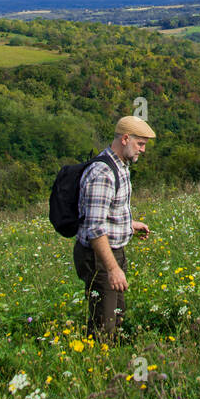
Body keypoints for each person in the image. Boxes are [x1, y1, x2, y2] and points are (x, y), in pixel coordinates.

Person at [74, 116, 154, 342]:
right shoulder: (104, 173)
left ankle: (110, 359)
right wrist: (112, 269)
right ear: (125, 139)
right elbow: (95, 229)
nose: (143, 150)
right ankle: (97, 366)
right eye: (140, 143)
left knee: (116, 316)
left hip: (111, 252)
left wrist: (128, 225)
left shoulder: (121, 166)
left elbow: (104, 214)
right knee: (104, 324)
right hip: (99, 256)